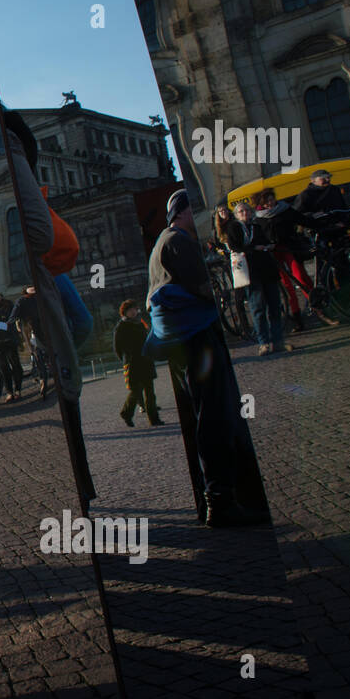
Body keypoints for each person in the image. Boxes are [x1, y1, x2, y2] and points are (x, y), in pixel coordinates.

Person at [144, 190, 269, 527]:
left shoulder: (165, 242)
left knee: (213, 412)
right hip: (196, 337)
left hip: (187, 338)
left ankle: (227, 497)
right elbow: (204, 288)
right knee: (214, 415)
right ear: (182, 213)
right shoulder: (177, 242)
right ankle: (220, 502)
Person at [253, 187, 336, 330]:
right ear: (262, 203)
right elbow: (257, 237)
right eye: (267, 202)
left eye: (272, 199)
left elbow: (303, 220)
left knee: (301, 279)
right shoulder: (258, 219)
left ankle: (320, 310)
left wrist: (324, 224)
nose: (270, 203)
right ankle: (298, 319)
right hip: (273, 254)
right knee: (287, 287)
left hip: (290, 248)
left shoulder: (285, 210)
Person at [227, 201, 292, 356]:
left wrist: (268, 246)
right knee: (258, 308)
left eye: (247, 211)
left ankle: (278, 341)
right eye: (241, 211)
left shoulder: (256, 226)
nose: (245, 214)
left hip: (267, 269)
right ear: (236, 215)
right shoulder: (234, 228)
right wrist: (253, 248)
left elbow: (266, 240)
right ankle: (264, 343)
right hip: (251, 272)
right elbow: (234, 246)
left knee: (275, 307)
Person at [113, 301, 162, 427]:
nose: (133, 311)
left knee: (150, 392)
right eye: (129, 310)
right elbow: (117, 347)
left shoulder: (140, 323)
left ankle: (154, 419)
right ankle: (126, 412)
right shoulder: (122, 326)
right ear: (125, 313)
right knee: (136, 391)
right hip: (133, 362)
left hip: (146, 360)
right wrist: (126, 358)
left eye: (134, 308)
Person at [13, 286, 51, 398]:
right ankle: (43, 381)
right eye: (30, 288)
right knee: (38, 358)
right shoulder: (23, 304)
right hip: (32, 337)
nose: (33, 288)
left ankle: (43, 379)